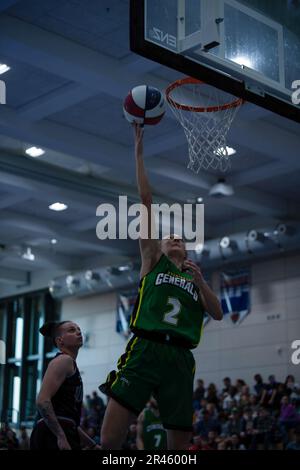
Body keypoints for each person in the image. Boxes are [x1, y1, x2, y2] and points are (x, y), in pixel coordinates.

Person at [99, 124, 223, 450]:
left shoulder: (194, 278)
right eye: (169, 237)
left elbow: (219, 313)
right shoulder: (154, 260)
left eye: (179, 237)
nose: (174, 238)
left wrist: (202, 283)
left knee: (178, 448)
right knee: (110, 438)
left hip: (180, 357)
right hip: (147, 347)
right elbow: (146, 200)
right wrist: (139, 152)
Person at [30, 321, 99, 450]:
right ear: (60, 341)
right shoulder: (64, 360)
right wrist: (61, 437)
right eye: (72, 330)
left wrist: (93, 445)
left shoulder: (70, 364)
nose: (78, 332)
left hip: (63, 431)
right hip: (51, 435)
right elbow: (42, 401)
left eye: (78, 329)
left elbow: (70, 422)